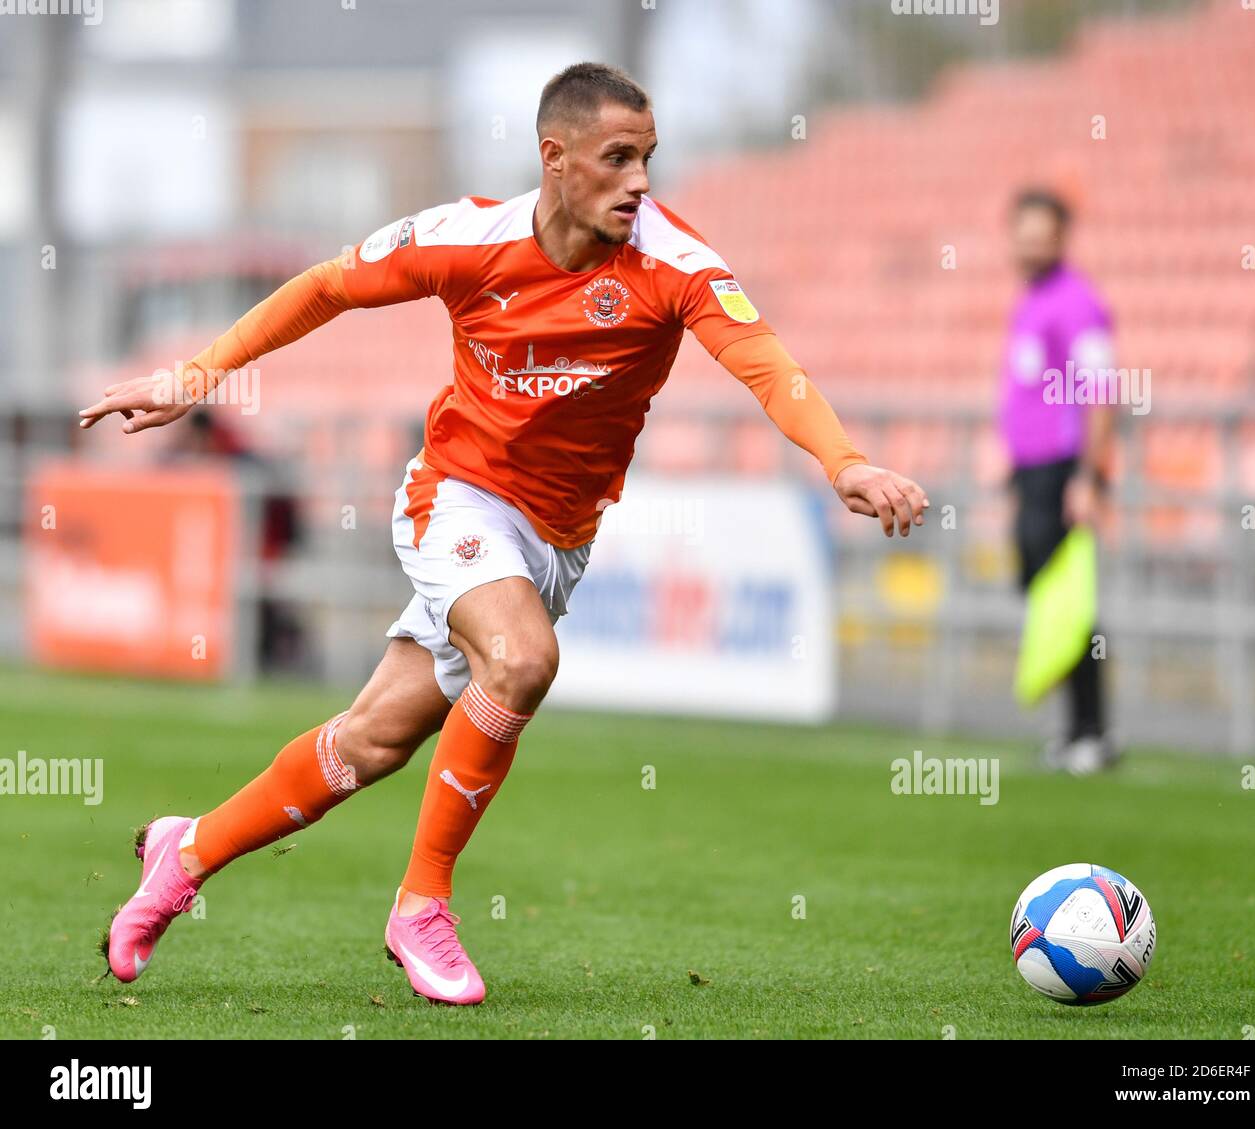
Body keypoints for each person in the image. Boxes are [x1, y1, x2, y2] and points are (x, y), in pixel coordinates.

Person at [80, 62, 929, 1005]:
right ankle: (421, 907)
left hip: (557, 540)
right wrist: (197, 374)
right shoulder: (467, 237)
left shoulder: (674, 264)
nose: (641, 180)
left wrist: (844, 461)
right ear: (555, 159)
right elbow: (326, 286)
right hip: (456, 497)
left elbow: (768, 366)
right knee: (522, 660)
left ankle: (183, 851)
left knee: (373, 741)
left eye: (649, 157)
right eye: (618, 158)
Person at [1001, 188, 1118, 775]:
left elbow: (1099, 392)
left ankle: (1093, 732)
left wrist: (1088, 478)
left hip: (1063, 473)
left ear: (1060, 238)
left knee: (1071, 605)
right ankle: (1074, 730)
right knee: (1047, 597)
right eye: (1023, 232)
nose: (1030, 244)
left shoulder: (1077, 303)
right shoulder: (1031, 301)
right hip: (1033, 473)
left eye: (1041, 233)